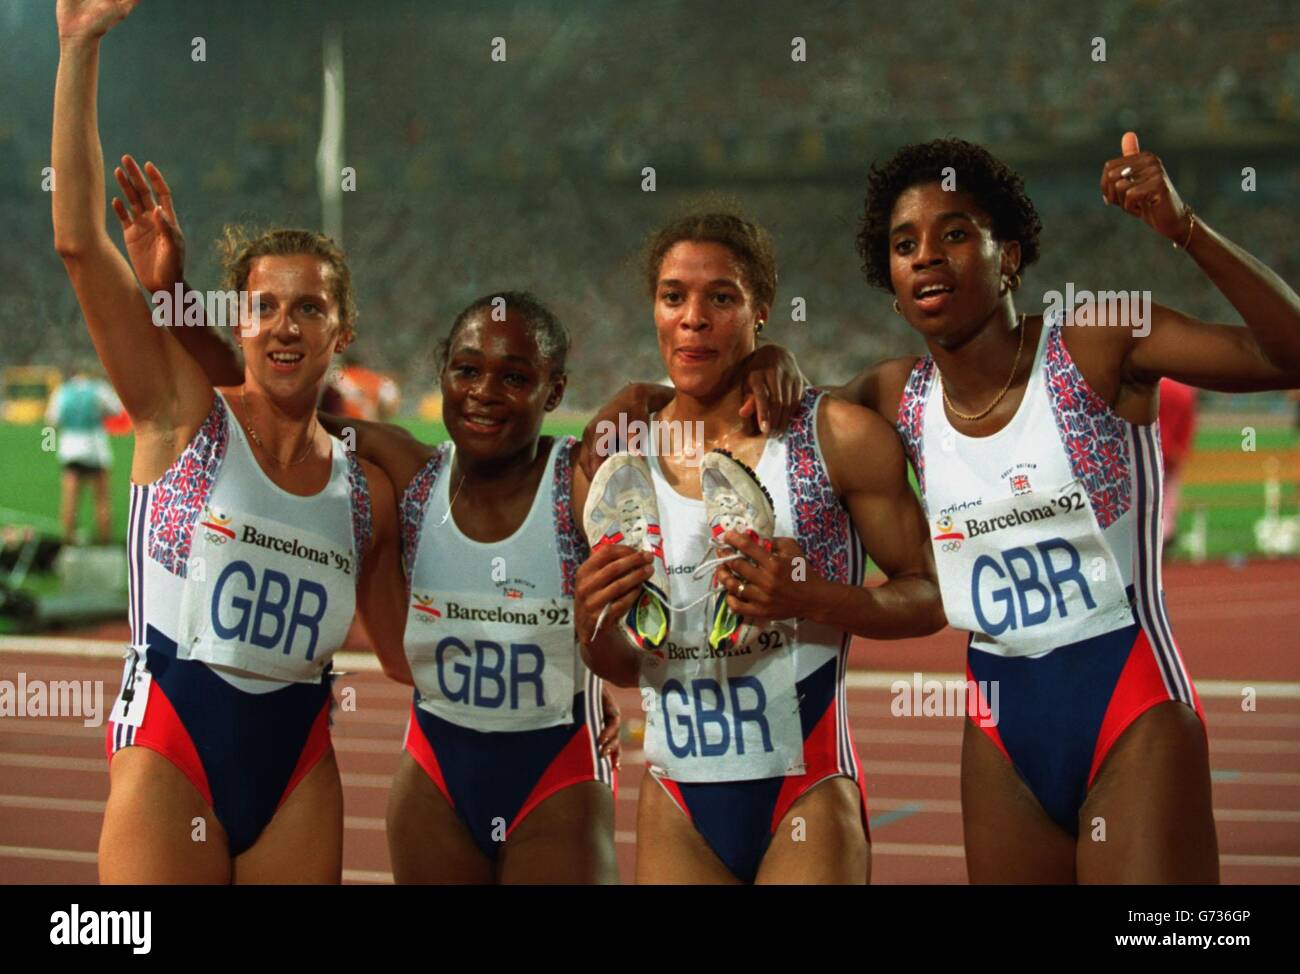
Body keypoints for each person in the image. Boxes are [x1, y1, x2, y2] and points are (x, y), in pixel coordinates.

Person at [828, 133, 1300, 882]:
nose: (926, 256)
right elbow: (782, 432)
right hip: (1000, 733)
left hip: (1130, 707)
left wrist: (1185, 228)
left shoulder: (1097, 343)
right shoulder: (893, 397)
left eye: (956, 234)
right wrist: (761, 364)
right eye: (904, 244)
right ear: (890, 278)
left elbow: (1288, 353)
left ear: (1010, 257)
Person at [53, 0, 407, 883]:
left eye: (310, 308)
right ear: (236, 321)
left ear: (342, 332)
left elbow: (407, 657)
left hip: (297, 767)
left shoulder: (368, 490)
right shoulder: (182, 415)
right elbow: (79, 243)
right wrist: (79, 48)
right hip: (171, 743)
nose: (285, 326)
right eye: (264, 306)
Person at [574, 210, 945, 885]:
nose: (693, 319)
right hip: (676, 801)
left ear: (761, 311)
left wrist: (809, 599)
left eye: (721, 298)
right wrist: (589, 623)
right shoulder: (616, 467)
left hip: (806, 792)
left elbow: (929, 596)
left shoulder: (835, 438)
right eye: (673, 297)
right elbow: (625, 667)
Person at [44, 362, 122, 544]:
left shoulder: (62, 391)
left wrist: (49, 443)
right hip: (95, 448)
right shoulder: (99, 388)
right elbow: (116, 410)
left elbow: (51, 419)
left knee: (70, 498)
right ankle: (105, 541)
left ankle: (68, 539)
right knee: (101, 498)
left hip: (70, 448)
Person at [1157, 378, 1197, 549]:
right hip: (1170, 454)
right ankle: (1166, 533)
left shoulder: (1152, 384)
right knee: (1168, 496)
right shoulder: (1184, 392)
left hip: (1146, 450)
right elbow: (1187, 426)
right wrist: (1180, 450)